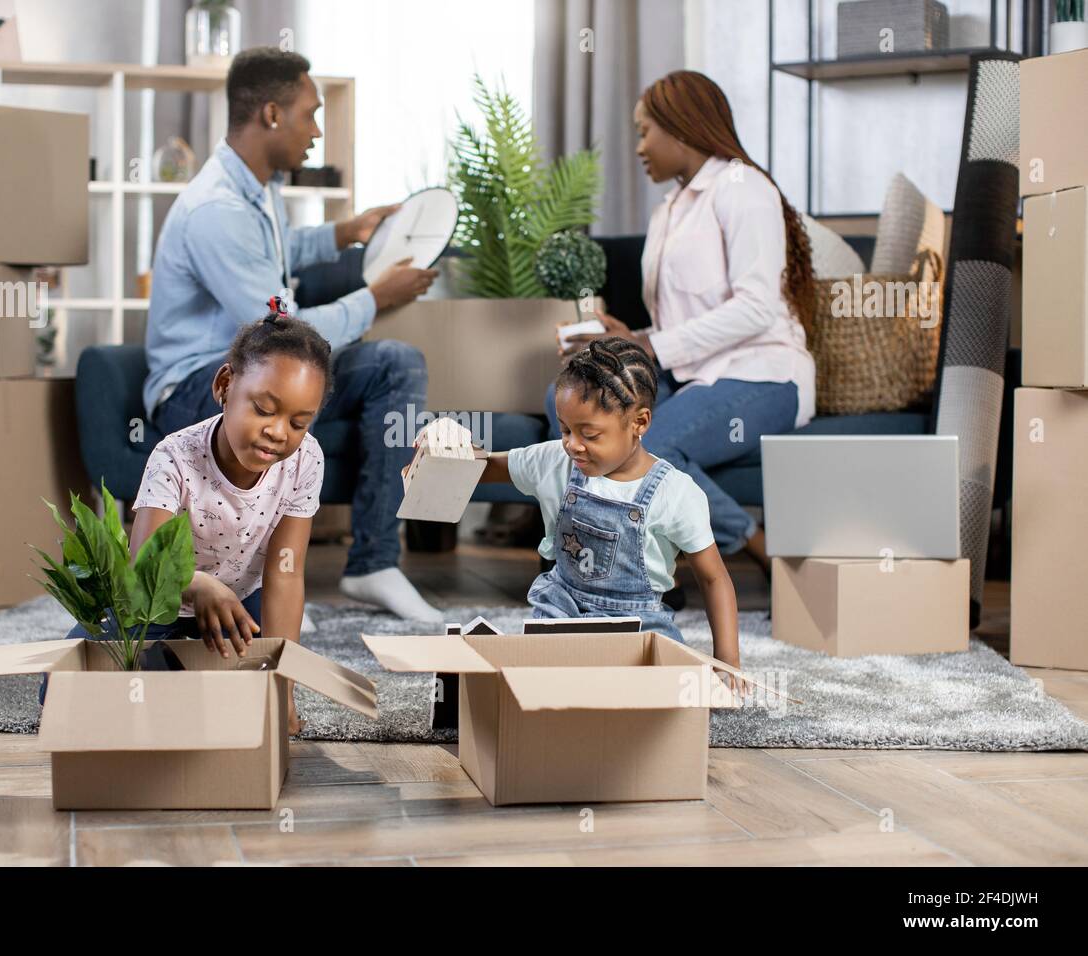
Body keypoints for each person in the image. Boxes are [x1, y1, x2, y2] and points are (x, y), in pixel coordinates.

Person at [144, 46, 444, 622]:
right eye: (310, 114)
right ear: (272, 115)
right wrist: (376, 298)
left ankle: (373, 564)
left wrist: (344, 232)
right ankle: (267, 583)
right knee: (380, 356)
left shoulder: (258, 188)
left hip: (255, 370)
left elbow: (279, 249)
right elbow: (280, 327)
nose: (316, 130)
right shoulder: (215, 210)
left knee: (396, 362)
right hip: (195, 385)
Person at [557, 70, 816, 583]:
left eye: (644, 131)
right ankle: (631, 568)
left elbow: (757, 308)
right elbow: (684, 318)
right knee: (573, 403)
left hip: (763, 374)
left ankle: (755, 546)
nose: (638, 148)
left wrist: (653, 346)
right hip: (693, 373)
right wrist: (628, 338)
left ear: (681, 128)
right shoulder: (670, 209)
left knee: (650, 444)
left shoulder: (742, 189)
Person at [43, 309, 331, 734]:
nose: (278, 432)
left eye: (298, 423)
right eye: (264, 410)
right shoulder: (174, 457)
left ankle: (189, 674)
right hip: (157, 603)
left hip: (238, 606)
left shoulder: (306, 460)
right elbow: (144, 565)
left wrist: (283, 691)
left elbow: (286, 575)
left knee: (246, 701)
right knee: (62, 691)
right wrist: (197, 584)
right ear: (225, 385)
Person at [435, 338, 744, 686]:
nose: (572, 444)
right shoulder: (556, 460)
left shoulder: (678, 493)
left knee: (673, 694)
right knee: (538, 685)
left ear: (639, 423)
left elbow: (714, 578)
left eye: (590, 434)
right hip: (562, 613)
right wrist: (448, 447)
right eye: (565, 429)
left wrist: (727, 663)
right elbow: (485, 466)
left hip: (639, 624)